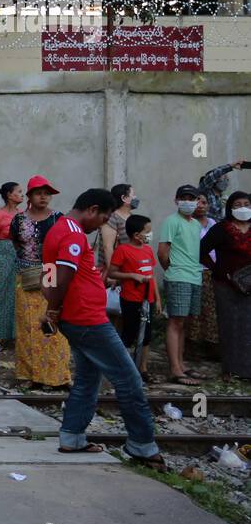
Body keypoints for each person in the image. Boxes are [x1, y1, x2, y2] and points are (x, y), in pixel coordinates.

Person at [42, 188, 164, 469]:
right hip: (86, 318)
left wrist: (53, 305)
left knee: (88, 378)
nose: (103, 225)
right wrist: (52, 309)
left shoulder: (57, 228)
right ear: (92, 209)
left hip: (79, 316)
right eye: (104, 218)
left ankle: (72, 437)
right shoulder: (72, 233)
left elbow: (48, 275)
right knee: (129, 380)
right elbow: (63, 275)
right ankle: (142, 445)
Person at [10, 175, 70, 388]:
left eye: (47, 193)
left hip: (52, 273)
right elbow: (16, 243)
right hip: (25, 274)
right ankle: (27, 376)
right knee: (26, 324)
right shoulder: (18, 220)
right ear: (29, 196)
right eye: (38, 193)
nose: (43, 197)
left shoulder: (58, 219)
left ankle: (53, 376)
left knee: (51, 323)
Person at [201, 191, 251, 381]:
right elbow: (202, 250)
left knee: (248, 327)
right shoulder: (222, 228)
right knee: (229, 325)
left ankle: (247, 370)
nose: (243, 208)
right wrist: (218, 270)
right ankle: (229, 369)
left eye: (246, 204)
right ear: (230, 208)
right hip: (225, 284)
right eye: (237, 205)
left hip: (250, 285)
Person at [157, 184, 204, 386]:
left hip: (195, 276)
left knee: (184, 323)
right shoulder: (171, 221)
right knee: (175, 322)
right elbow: (162, 252)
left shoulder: (196, 224)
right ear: (176, 200)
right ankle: (175, 370)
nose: (188, 201)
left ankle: (181, 364)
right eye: (183, 197)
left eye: (191, 198)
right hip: (178, 276)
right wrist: (171, 270)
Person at [109, 213, 157, 380]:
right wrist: (131, 276)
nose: (150, 234)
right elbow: (112, 272)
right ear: (136, 235)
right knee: (129, 333)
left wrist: (156, 298)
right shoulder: (122, 250)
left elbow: (152, 276)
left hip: (148, 299)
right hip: (131, 299)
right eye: (147, 231)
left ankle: (143, 369)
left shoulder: (148, 250)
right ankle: (123, 367)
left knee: (147, 335)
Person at [0, 181, 23, 347]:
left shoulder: (23, 215)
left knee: (19, 294)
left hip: (21, 255)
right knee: (2, 293)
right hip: (3, 253)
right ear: (9, 195)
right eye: (19, 192)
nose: (22, 195)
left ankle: (17, 334)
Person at [185, 193, 220, 355]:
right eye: (197, 202)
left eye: (204, 202)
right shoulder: (186, 223)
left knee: (211, 309)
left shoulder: (213, 223)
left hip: (210, 272)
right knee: (194, 309)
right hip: (193, 270)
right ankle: (192, 344)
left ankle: (211, 343)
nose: (201, 205)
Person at [95, 183, 136, 279]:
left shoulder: (132, 217)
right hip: (116, 273)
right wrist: (113, 274)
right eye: (133, 195)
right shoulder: (111, 218)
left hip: (129, 271)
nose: (135, 198)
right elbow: (107, 247)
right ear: (124, 198)